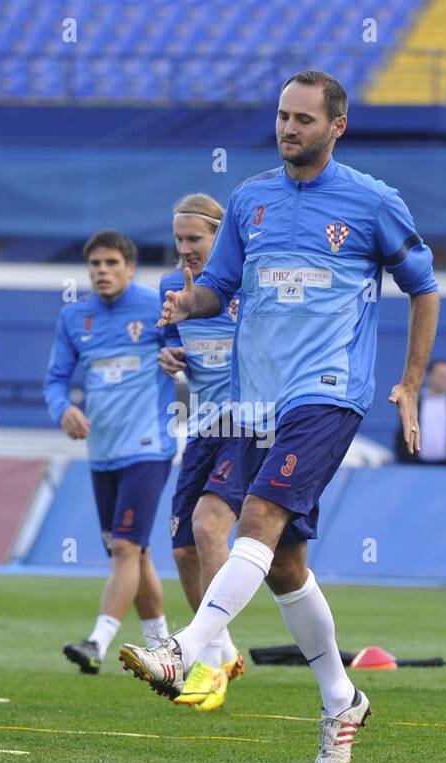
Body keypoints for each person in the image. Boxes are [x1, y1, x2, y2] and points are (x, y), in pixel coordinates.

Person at [119, 70, 440, 763]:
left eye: (303, 118)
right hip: (256, 399)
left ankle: (186, 649)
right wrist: (185, 305)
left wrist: (410, 384)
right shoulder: (250, 200)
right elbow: (218, 289)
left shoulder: (372, 202)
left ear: (336, 127)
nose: (288, 128)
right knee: (285, 564)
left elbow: (425, 287)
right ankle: (341, 698)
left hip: (328, 393)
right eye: (282, 117)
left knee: (255, 517)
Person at [46, 230, 175, 675]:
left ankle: (97, 643)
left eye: (111, 263)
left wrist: (179, 362)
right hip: (101, 453)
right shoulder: (73, 317)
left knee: (124, 546)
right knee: (133, 553)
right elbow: (55, 380)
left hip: (147, 446)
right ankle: (163, 648)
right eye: (95, 264)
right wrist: (63, 409)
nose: (102, 271)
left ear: (130, 267)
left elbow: (186, 354)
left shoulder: (156, 307)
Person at [158, 193, 246, 710]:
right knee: (183, 549)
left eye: (196, 238)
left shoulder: (246, 284)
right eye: (180, 240)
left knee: (210, 527)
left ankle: (210, 666)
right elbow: (166, 343)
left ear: (220, 237)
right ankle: (226, 650)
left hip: (250, 422)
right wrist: (166, 355)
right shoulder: (170, 287)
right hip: (201, 428)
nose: (186, 248)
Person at [393, 358, 446, 465]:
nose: (444, 379)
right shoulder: (415, 404)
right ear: (428, 376)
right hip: (417, 466)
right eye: (440, 375)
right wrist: (405, 458)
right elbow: (402, 432)